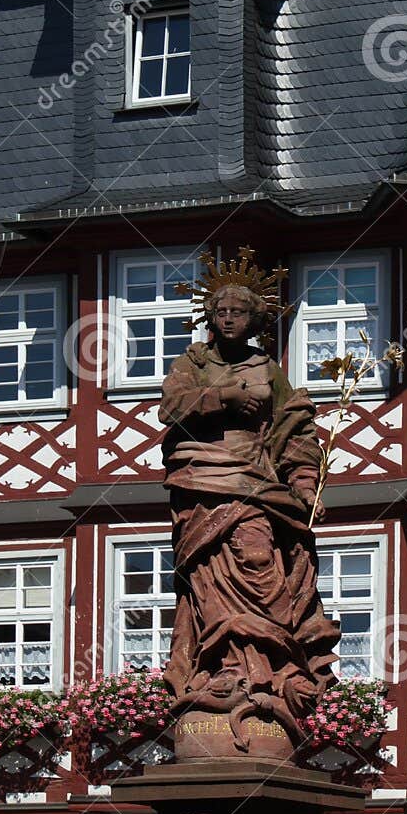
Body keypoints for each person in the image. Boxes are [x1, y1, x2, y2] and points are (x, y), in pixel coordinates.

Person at [159, 252, 339, 743]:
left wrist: (305, 485)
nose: (228, 319)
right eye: (220, 311)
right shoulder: (192, 364)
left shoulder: (268, 370)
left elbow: (295, 434)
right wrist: (226, 398)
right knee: (207, 579)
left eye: (238, 312)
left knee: (261, 563)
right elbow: (169, 408)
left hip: (255, 482)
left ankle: (266, 671)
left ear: (255, 320)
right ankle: (221, 668)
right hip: (200, 482)